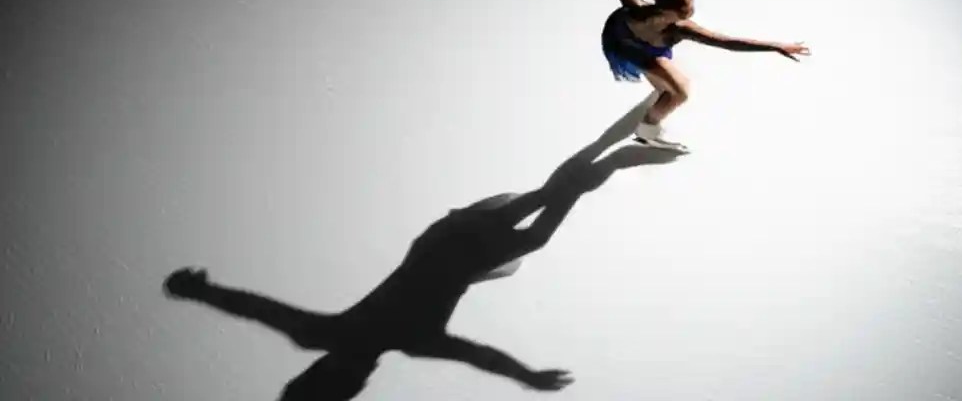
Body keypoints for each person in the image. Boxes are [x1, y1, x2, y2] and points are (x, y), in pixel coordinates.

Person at [163, 95, 679, 400]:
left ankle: (616, 148)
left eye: (349, 383)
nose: (363, 378)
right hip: (465, 257)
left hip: (447, 248)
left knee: (543, 203)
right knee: (542, 217)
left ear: (330, 373)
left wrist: (200, 291)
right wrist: (526, 376)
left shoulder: (327, 334)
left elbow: (257, 308)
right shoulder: (409, 340)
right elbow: (479, 356)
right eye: (357, 387)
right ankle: (616, 153)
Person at [565, 0, 811, 152]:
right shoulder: (636, 7)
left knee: (671, 85)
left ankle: (658, 95)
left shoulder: (681, 28)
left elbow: (726, 42)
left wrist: (775, 46)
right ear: (663, 10)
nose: (689, 15)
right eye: (682, 12)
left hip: (643, 47)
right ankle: (647, 129)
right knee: (681, 91)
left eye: (689, 10)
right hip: (623, 42)